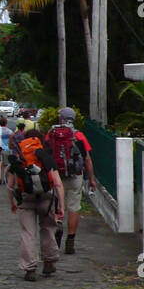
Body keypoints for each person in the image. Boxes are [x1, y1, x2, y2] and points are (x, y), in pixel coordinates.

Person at [7, 129, 63, 281]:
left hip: (26, 199)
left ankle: (30, 268)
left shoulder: (19, 158)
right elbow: (57, 183)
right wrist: (61, 207)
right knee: (48, 229)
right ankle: (49, 263)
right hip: (46, 198)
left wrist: (12, 202)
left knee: (28, 233)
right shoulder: (45, 156)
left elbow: (10, 185)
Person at [44, 107, 97, 255]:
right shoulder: (78, 136)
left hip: (56, 176)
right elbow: (87, 159)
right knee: (74, 207)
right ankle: (70, 242)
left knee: (57, 205)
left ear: (61, 118)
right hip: (75, 176)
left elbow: (45, 154)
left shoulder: (51, 133)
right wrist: (91, 179)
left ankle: (58, 226)